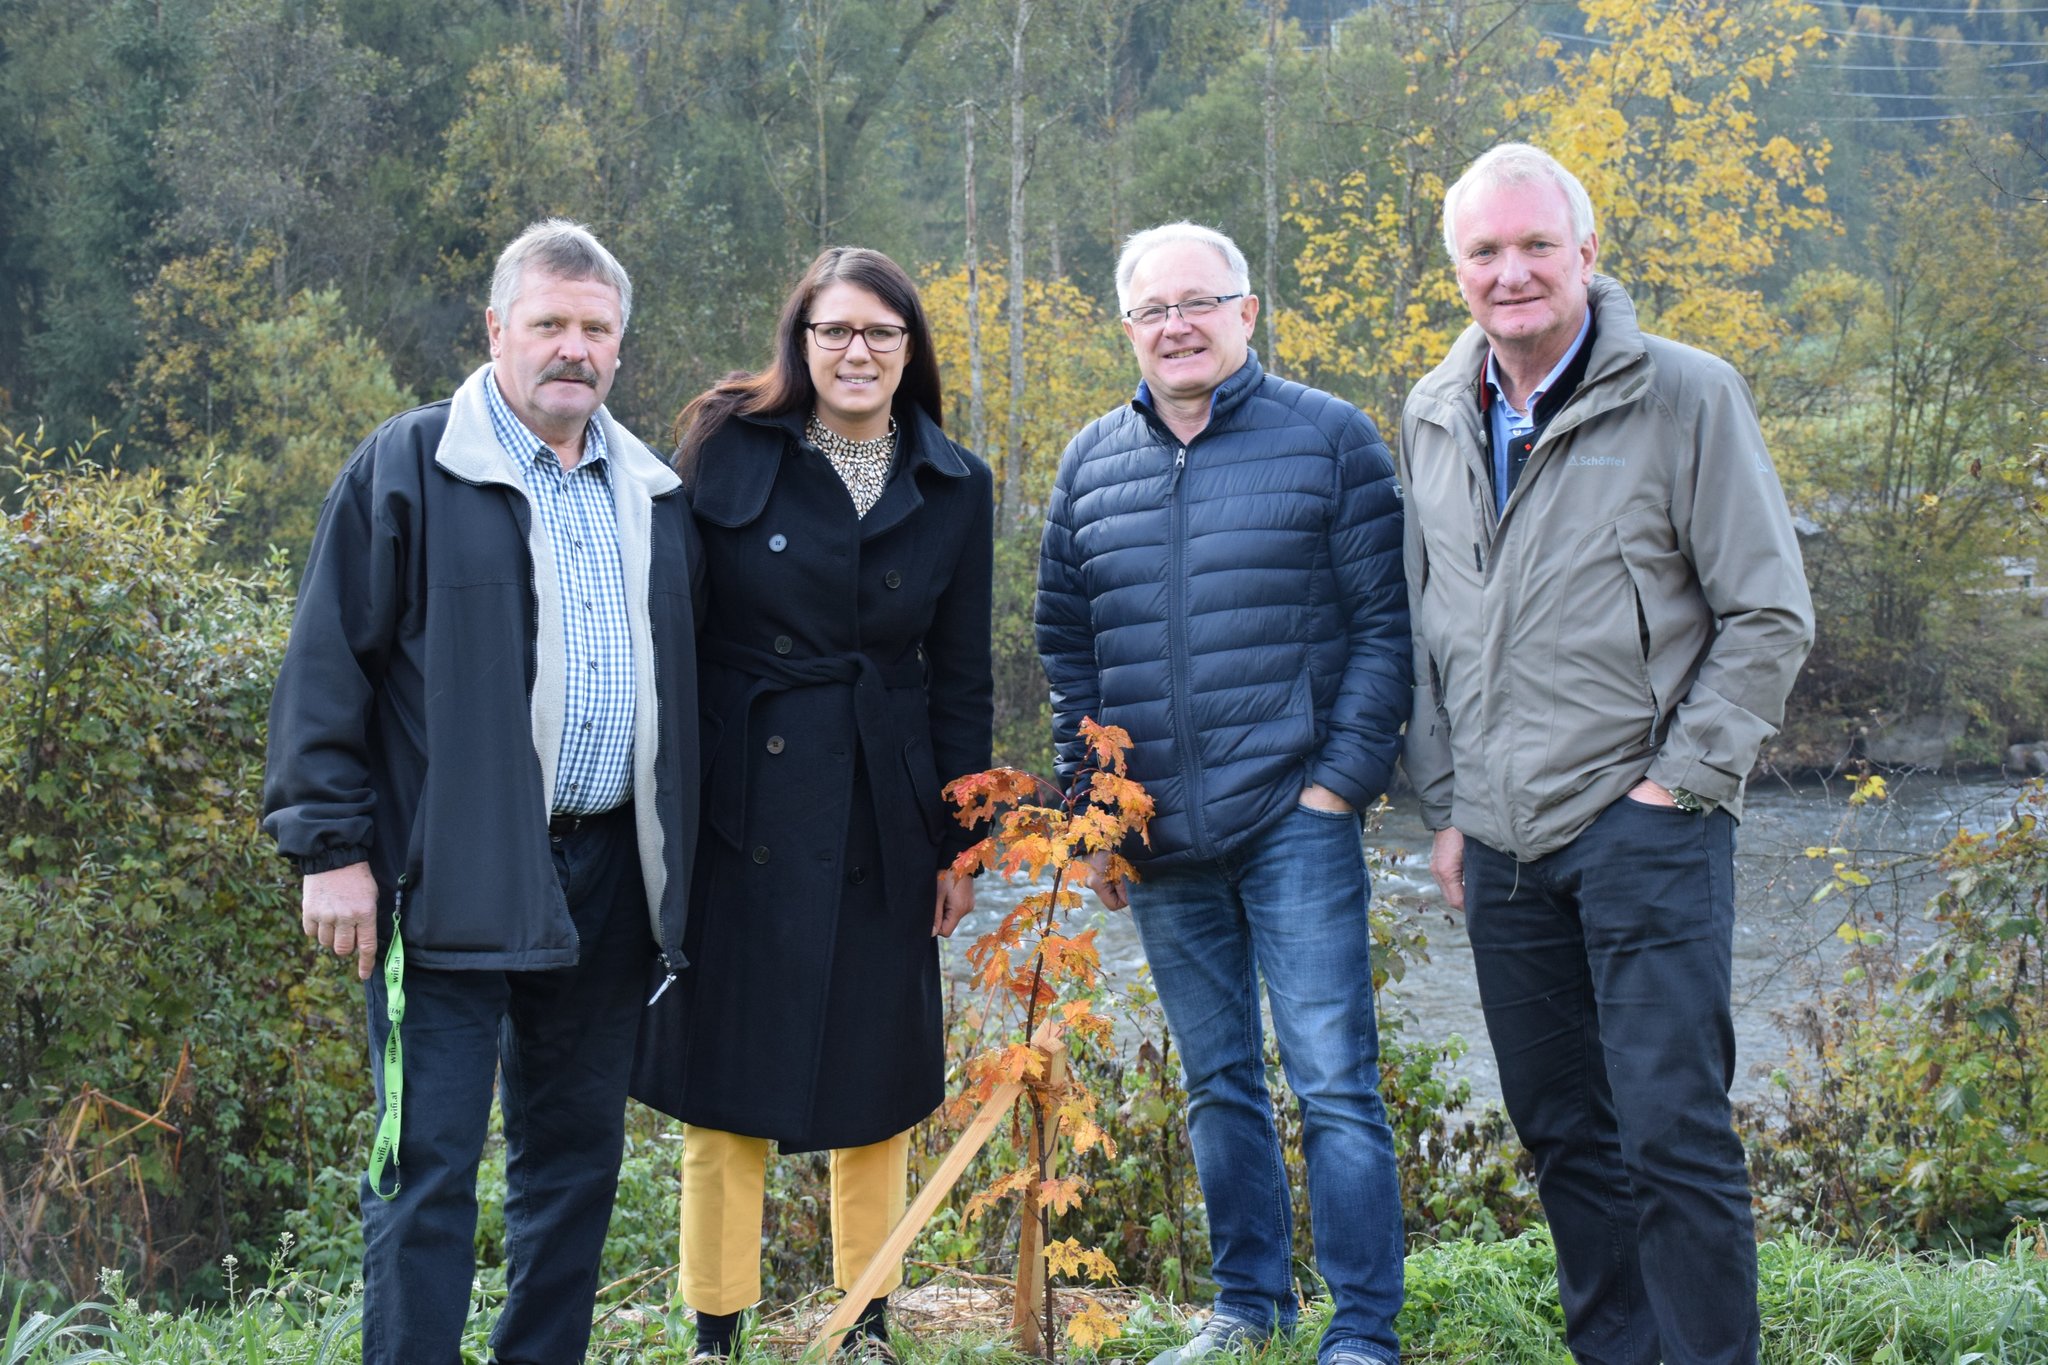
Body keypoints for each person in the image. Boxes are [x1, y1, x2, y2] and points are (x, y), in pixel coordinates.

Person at [1401, 143, 1815, 1365]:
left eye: (1536, 245)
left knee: (1670, 1133)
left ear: (1587, 254)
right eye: (1484, 251)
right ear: (1456, 270)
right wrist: (1445, 804)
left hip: (1644, 829)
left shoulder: (1685, 394)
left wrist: (1674, 787)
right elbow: (1428, 627)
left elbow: (1767, 614)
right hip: (1499, 845)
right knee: (1560, 1134)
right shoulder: (1431, 411)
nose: (1511, 271)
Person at [261, 219, 701, 1364]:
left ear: (620, 347)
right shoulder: (411, 464)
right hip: (445, 872)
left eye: (595, 329)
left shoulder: (651, 492)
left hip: (606, 880)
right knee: (428, 1164)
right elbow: (325, 667)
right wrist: (327, 849)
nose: (573, 348)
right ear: (496, 328)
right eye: (549, 323)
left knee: (573, 1163)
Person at [1035, 222, 1410, 1365]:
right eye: (1153, 311)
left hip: (1290, 817)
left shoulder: (1331, 439)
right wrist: (1091, 813)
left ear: (1247, 313)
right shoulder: (1089, 461)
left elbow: (1384, 631)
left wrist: (1338, 785)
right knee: (1217, 1085)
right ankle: (1248, 1312)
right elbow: (1067, 649)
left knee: (1334, 1083)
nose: (1177, 326)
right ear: (1128, 328)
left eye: (1199, 303)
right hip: (1156, 837)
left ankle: (1360, 1332)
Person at [628, 246, 993, 1363]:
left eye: (882, 332)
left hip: (880, 809)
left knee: (874, 1087)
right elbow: (669, 628)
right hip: (738, 805)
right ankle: (713, 1332)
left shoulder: (953, 481)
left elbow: (961, 670)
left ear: (909, 350)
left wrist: (959, 841)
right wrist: (665, 816)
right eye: (836, 330)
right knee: (723, 1086)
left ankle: (865, 1321)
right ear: (800, 340)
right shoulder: (727, 445)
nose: (858, 352)